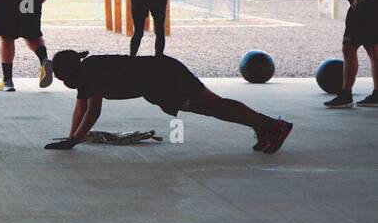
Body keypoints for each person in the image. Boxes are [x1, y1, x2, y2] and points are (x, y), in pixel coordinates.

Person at [46, 50, 292, 154]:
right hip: (160, 80)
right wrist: (71, 138)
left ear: (70, 72)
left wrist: (74, 141)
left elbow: (92, 112)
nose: (62, 82)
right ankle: (264, 126)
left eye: (61, 77)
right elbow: (81, 107)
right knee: (213, 110)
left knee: (216, 106)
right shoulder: (87, 69)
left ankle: (273, 126)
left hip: (166, 77)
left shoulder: (89, 73)